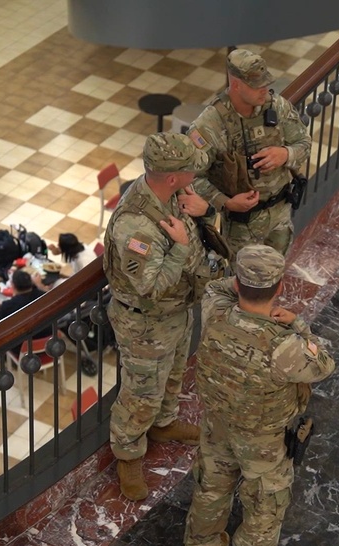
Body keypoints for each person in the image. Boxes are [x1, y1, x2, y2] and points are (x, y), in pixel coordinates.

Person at [184, 245, 335, 546]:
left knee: (211, 485)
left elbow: (215, 286)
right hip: (263, 438)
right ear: (280, 287)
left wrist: (242, 280)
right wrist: (297, 324)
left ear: (237, 284)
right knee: (266, 503)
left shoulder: (215, 309)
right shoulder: (286, 345)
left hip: (217, 422)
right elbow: (323, 366)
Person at [103, 132, 214, 501]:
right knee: (141, 393)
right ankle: (128, 453)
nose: (194, 174)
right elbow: (151, 286)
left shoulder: (167, 194)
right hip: (146, 323)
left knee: (175, 373)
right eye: (188, 170)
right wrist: (181, 248)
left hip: (176, 313)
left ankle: (164, 425)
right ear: (171, 177)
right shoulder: (136, 225)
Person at [187, 49, 311, 257]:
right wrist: (225, 202)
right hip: (242, 228)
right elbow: (191, 177)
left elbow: (303, 142)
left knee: (275, 273)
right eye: (257, 86)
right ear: (236, 84)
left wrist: (286, 154)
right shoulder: (210, 124)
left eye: (266, 83)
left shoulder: (277, 106)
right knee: (243, 284)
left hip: (280, 213)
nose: (265, 90)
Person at [0, 269, 52, 338]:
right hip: (48, 335)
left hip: (23, 343)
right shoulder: (44, 296)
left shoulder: (7, 306)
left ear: (13, 286)